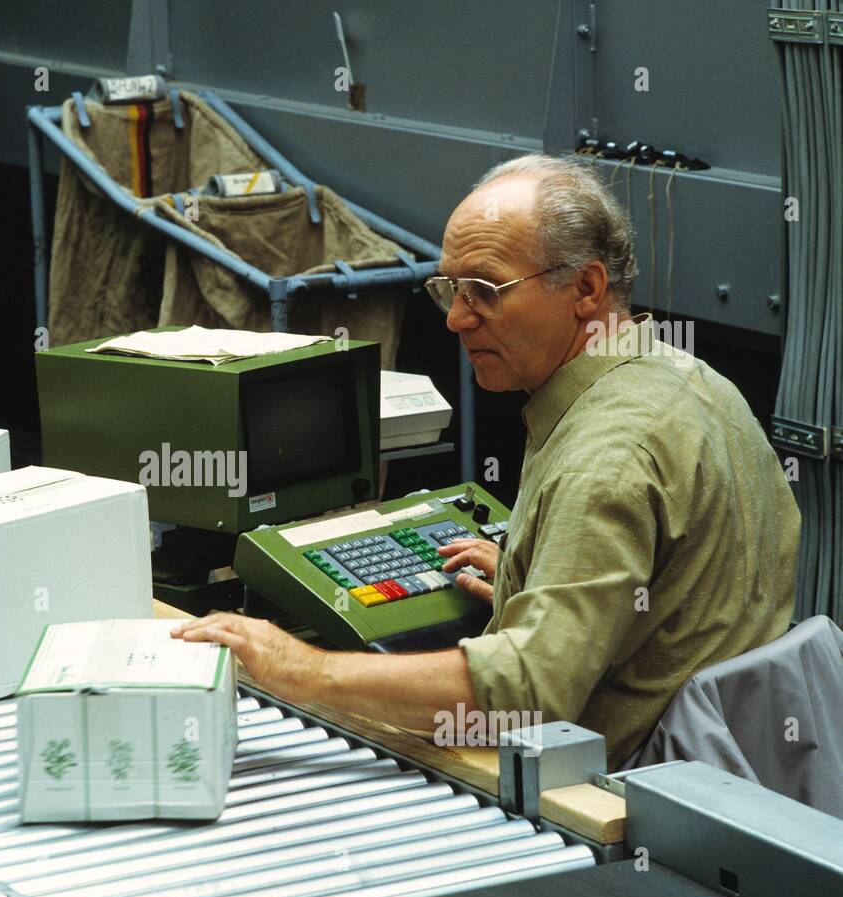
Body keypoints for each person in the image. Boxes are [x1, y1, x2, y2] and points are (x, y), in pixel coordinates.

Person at [172, 154, 801, 769]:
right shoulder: (696, 380)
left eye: (486, 291)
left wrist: (303, 669)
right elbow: (684, 596)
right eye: (449, 287)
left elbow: (529, 695)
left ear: (586, 288)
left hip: (638, 792)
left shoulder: (605, 459)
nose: (455, 317)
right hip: (748, 764)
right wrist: (541, 573)